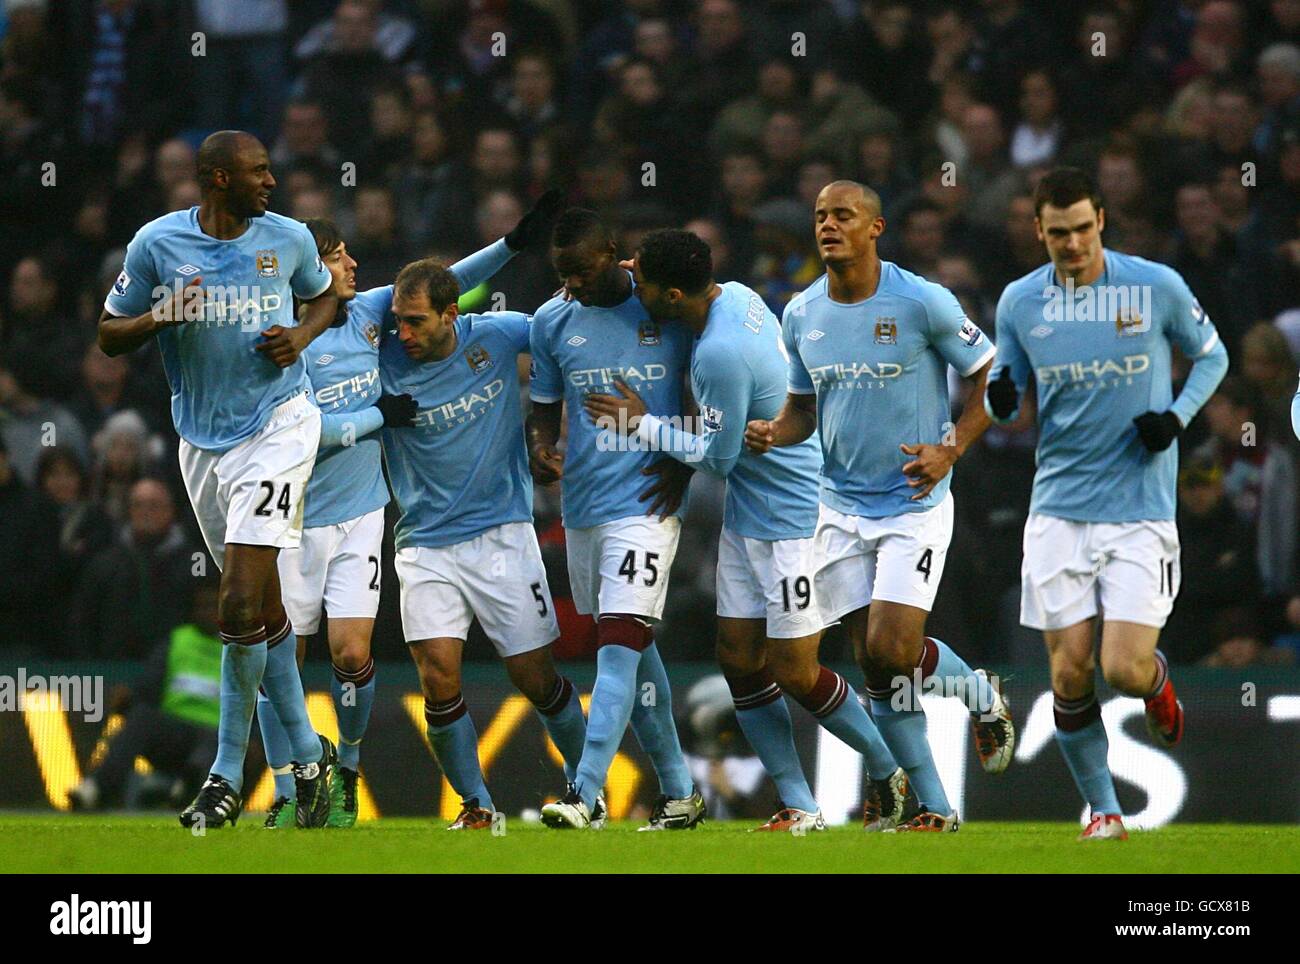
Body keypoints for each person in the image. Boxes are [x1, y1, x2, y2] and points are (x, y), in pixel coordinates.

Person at [587, 227, 922, 833]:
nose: (636, 293)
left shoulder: (718, 353)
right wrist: (646, 268)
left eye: (644, 285)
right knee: (739, 657)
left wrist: (641, 424)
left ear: (670, 296)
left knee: (793, 668)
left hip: (795, 515)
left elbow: (717, 460)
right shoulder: (736, 294)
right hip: (750, 511)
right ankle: (798, 801)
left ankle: (886, 768)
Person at [258, 192, 561, 829]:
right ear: (307, 271)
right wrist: (376, 416)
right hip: (294, 516)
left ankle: (346, 770)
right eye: (337, 257)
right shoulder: (284, 343)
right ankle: (289, 788)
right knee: (285, 660)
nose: (351, 264)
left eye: (344, 252)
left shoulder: (371, 313)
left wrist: (513, 243)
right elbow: (298, 435)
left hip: (369, 514)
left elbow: (448, 283)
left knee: (351, 655)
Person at [744, 181, 1015, 833]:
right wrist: (770, 432)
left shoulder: (922, 301)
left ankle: (979, 702)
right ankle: (925, 800)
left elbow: (992, 377)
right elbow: (803, 410)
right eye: (820, 216)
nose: (828, 225)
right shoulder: (801, 313)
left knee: (891, 648)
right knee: (833, 663)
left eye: (843, 215)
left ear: (875, 228)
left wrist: (948, 449)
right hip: (836, 508)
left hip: (913, 502)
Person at [99, 130, 341, 829]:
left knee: (235, 601)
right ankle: (307, 755)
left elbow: (328, 300)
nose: (271, 181)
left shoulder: (289, 238)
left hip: (281, 424)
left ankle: (224, 776)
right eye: (256, 172)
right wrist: (160, 315)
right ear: (215, 180)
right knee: (260, 615)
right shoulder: (156, 244)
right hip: (201, 441)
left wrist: (298, 338)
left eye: (270, 170)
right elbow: (109, 333)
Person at [984, 166, 1229, 840]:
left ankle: (1155, 684)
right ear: (1038, 231)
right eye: (1057, 232)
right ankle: (1105, 811)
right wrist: (999, 404)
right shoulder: (1019, 302)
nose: (1071, 244)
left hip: (1140, 507)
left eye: (1082, 229)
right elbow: (1003, 391)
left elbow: (1212, 357)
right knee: (1067, 672)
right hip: (1058, 506)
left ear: (1102, 223)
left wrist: (1177, 419)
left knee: (1120, 669)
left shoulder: (1154, 287)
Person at [378, 257, 588, 830]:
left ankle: (585, 789)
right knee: (438, 676)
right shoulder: (384, 359)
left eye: (417, 322)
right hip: (423, 542)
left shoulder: (496, 334)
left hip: (502, 536)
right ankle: (477, 807)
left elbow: (559, 327)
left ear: (452, 314)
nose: (405, 334)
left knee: (534, 676)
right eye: (398, 320)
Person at [525, 209, 702, 831]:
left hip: (649, 503)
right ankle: (680, 791)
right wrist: (542, 448)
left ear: (613, 251)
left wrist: (684, 464)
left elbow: (703, 404)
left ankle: (585, 790)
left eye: (581, 269)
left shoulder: (666, 310)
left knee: (618, 644)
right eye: (562, 274)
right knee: (632, 644)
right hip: (585, 505)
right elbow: (545, 407)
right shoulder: (552, 321)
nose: (570, 283)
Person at [68, 575, 224, 812]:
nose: (207, 612)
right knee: (142, 716)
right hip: (172, 731)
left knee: (220, 738)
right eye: (202, 606)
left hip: (215, 738)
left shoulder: (238, 647)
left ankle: (188, 790)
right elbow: (148, 686)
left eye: (214, 606)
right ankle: (96, 788)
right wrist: (128, 699)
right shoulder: (178, 640)